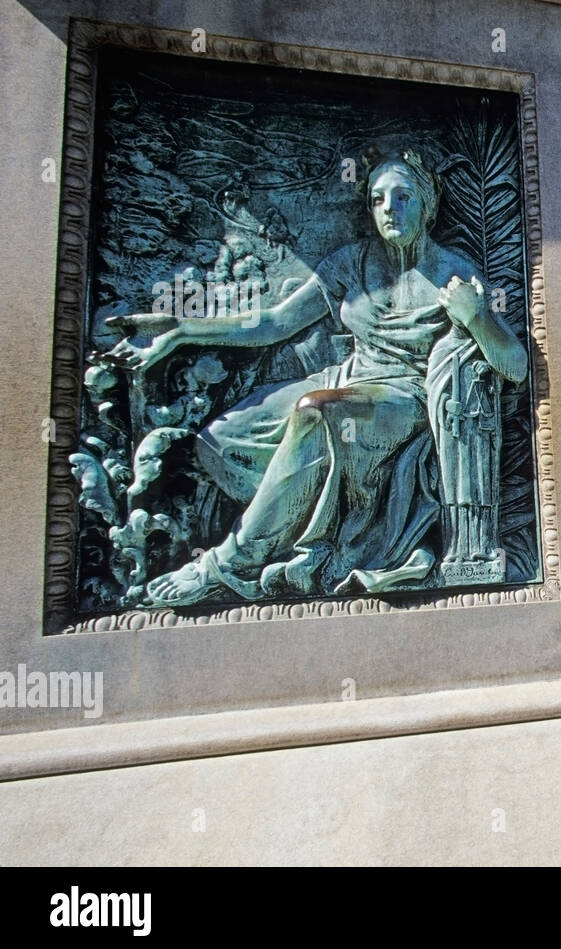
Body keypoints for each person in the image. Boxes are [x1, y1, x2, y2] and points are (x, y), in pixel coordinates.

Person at [104, 147, 528, 607]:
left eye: (404, 196)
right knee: (221, 439)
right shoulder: (351, 262)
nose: (391, 209)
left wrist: (478, 316)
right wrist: (183, 329)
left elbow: (516, 367)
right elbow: (275, 322)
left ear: (428, 203)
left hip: (405, 399)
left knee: (316, 414)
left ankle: (226, 563)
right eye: (378, 199)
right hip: (347, 378)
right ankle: (311, 520)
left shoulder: (455, 273)